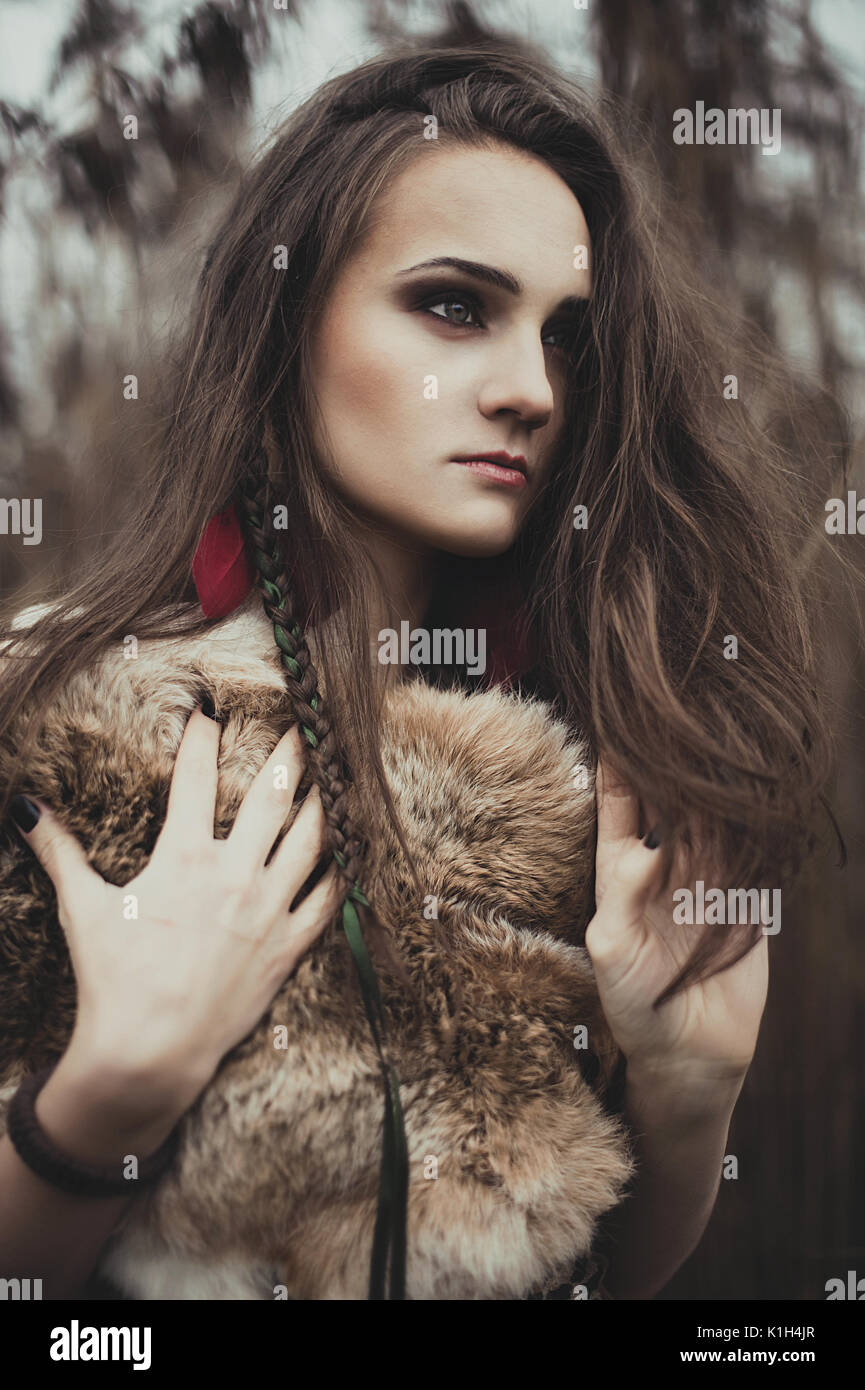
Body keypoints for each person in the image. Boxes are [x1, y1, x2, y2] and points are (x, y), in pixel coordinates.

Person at [0, 40, 844, 1300]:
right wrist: (109, 1090)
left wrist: (686, 1103)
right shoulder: (60, 714)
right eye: (454, 304)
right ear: (288, 322)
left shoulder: (608, 764)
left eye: (565, 338)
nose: (529, 390)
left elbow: (605, 1284)